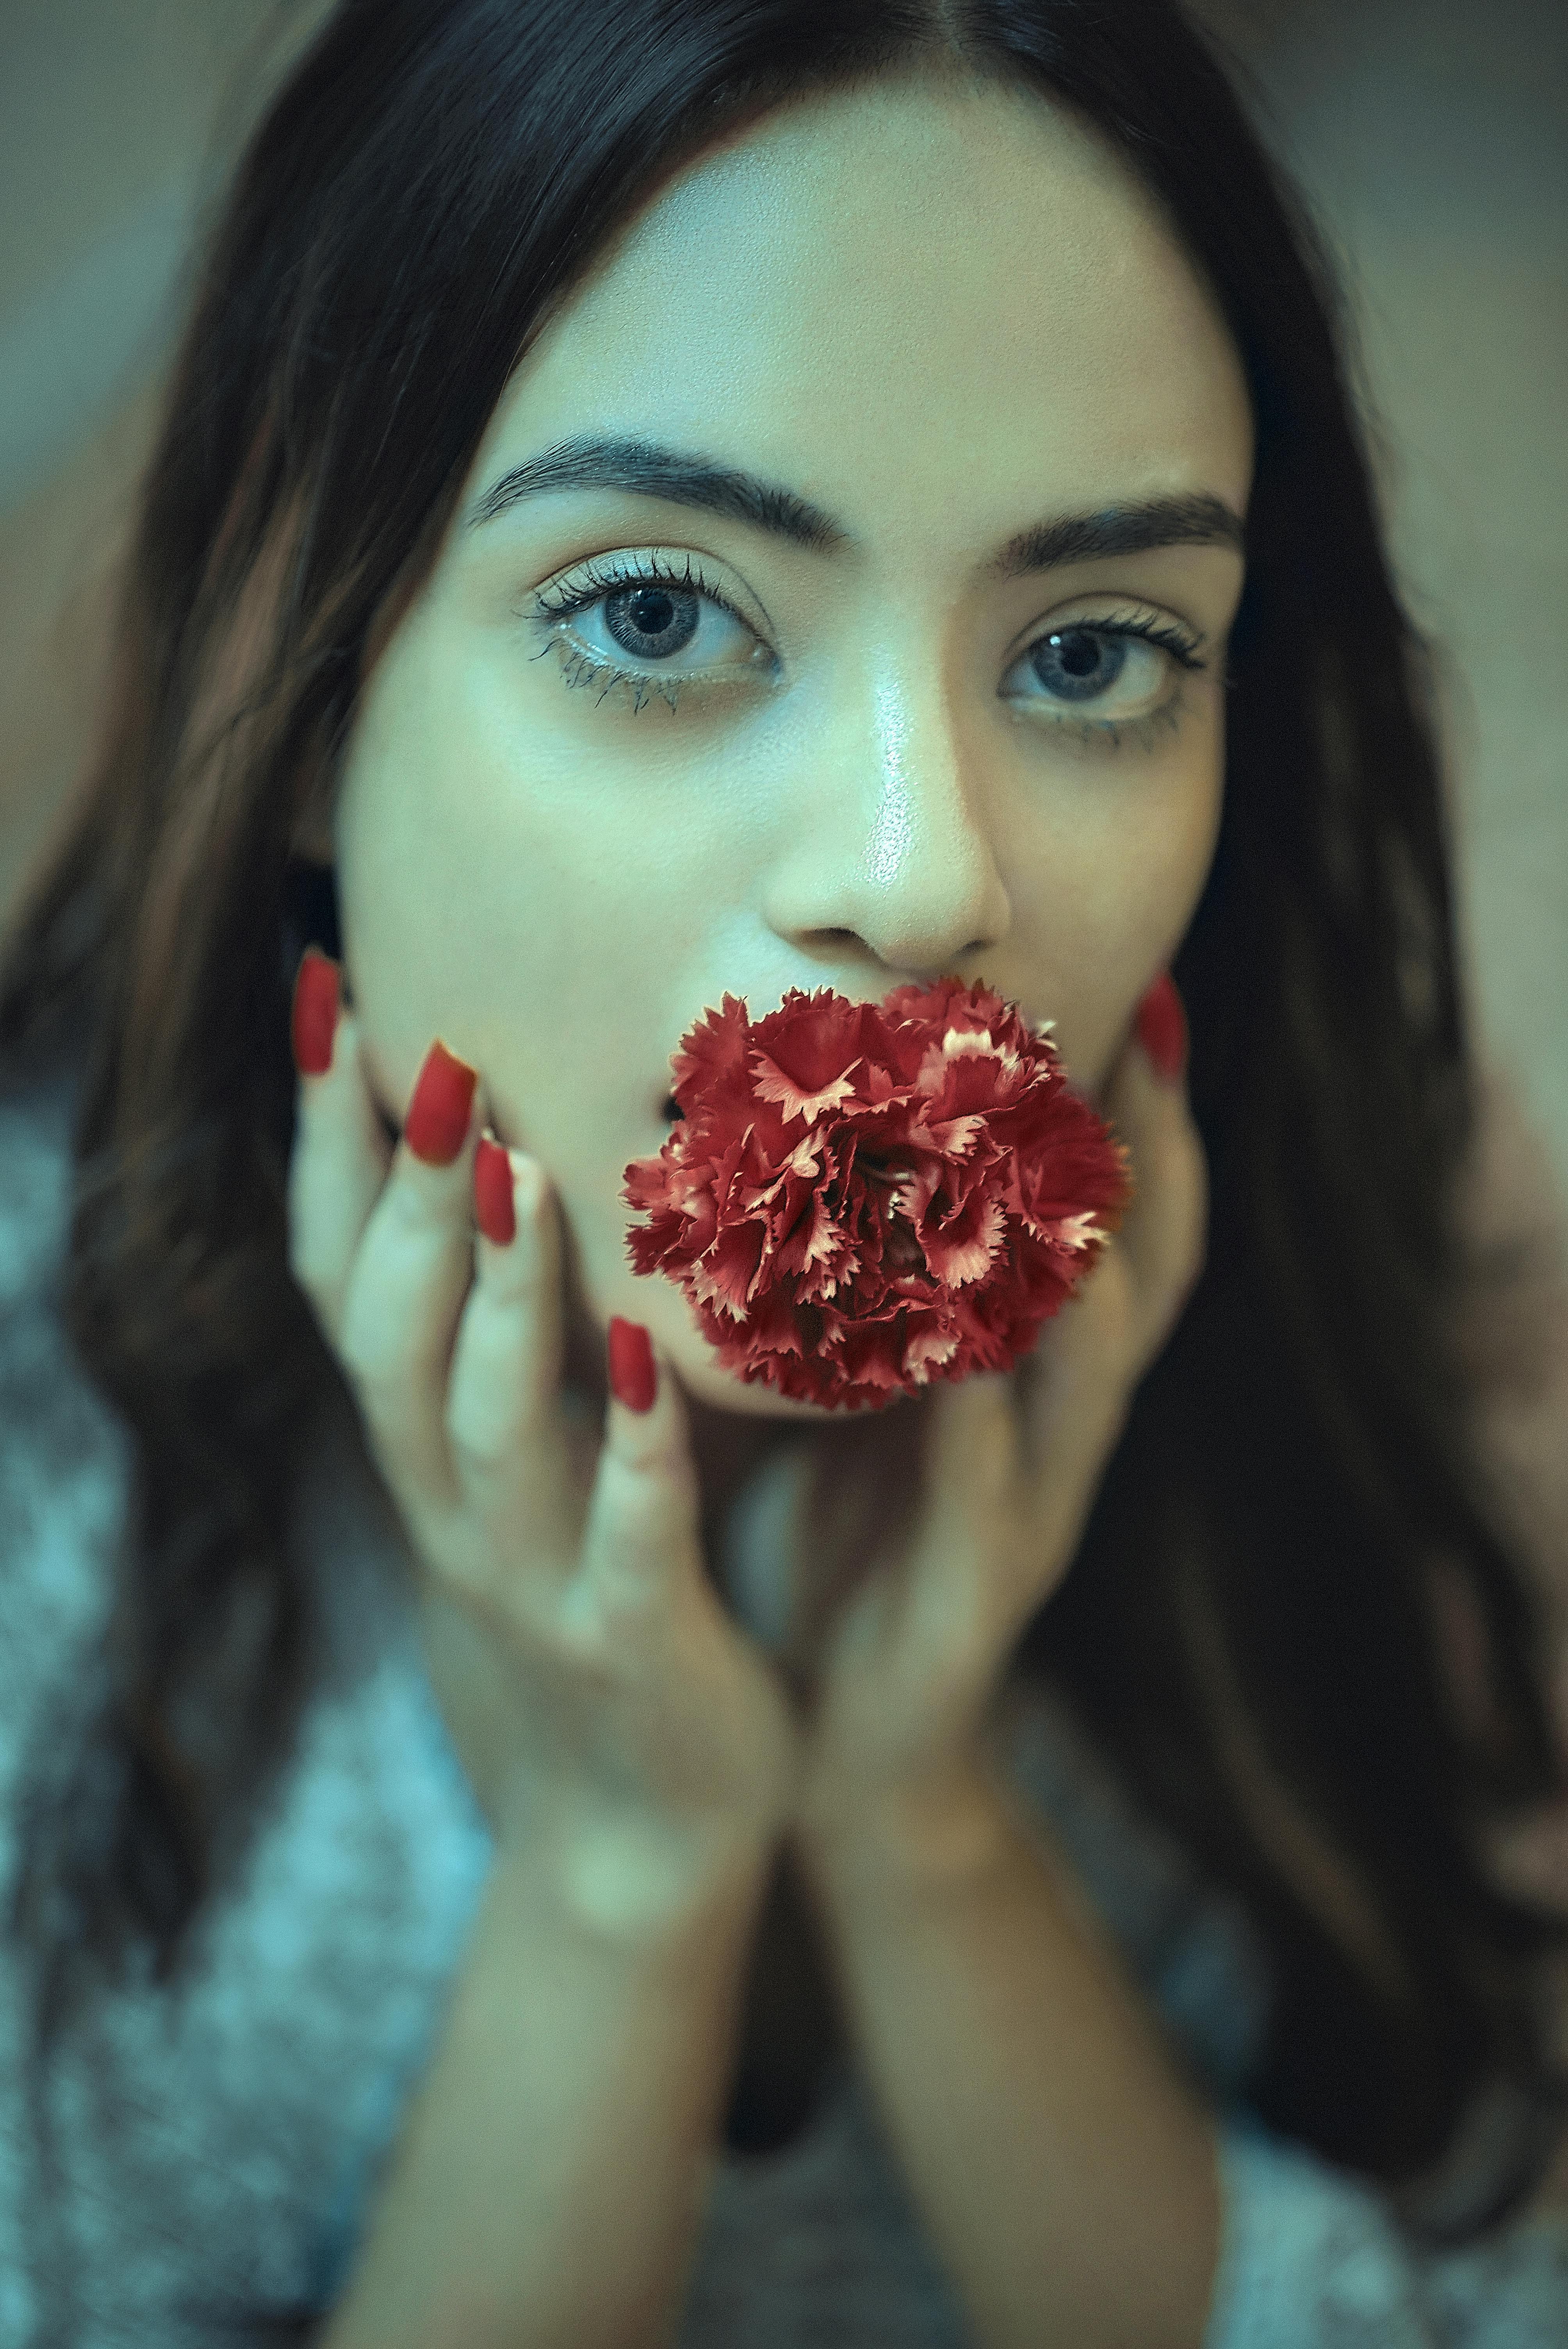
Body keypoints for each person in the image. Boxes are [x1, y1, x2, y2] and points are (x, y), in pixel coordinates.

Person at [1, 0, 1565, 2341]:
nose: (926, 882)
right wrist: (621, 1880)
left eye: (1099, 652)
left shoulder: (1410, 1319)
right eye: (655, 613)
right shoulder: (42, 1486)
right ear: (304, 682)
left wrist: (923, 1824)